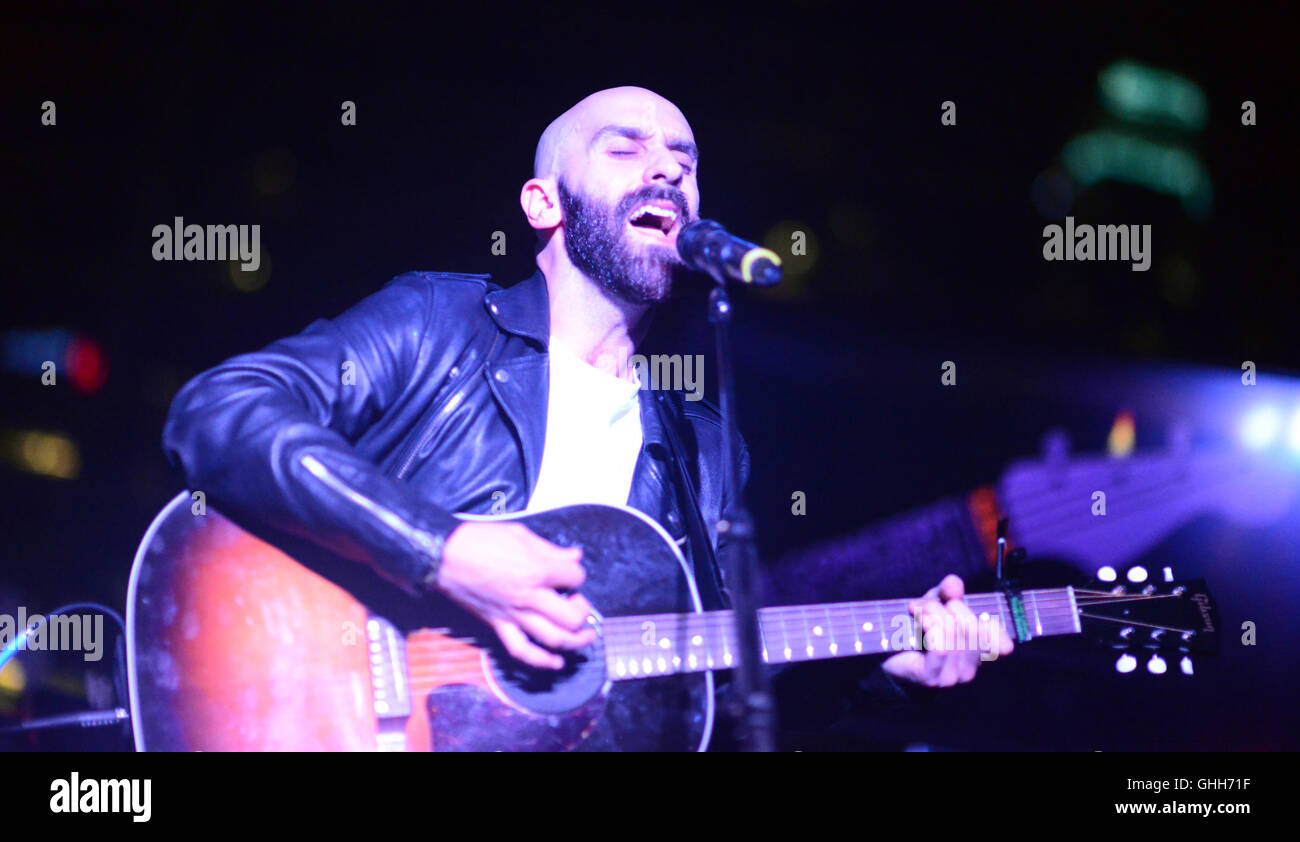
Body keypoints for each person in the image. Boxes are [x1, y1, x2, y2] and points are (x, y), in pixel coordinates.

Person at [163, 86, 1010, 745]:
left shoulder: (704, 449)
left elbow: (693, 699)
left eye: (684, 157)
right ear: (543, 203)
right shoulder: (440, 324)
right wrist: (442, 550)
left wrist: (887, 672)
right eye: (627, 148)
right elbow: (218, 412)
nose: (668, 170)